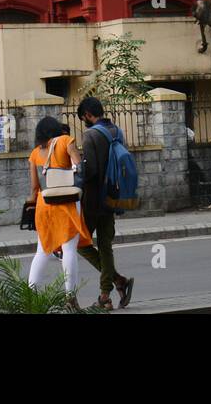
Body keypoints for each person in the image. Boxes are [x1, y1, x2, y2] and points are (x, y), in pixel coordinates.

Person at [76, 97, 135, 310]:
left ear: (88, 115)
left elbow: (90, 171)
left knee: (79, 243)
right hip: (113, 196)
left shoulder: (90, 135)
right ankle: (112, 287)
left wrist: (76, 177)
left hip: (93, 200)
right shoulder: (117, 132)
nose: (84, 121)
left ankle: (109, 291)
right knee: (105, 246)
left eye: (83, 117)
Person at [27, 116, 91, 303]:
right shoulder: (65, 141)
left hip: (43, 205)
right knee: (69, 249)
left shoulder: (34, 154)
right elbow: (80, 168)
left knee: (42, 250)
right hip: (66, 204)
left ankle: (31, 295)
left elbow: (34, 187)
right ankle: (70, 297)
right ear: (55, 129)